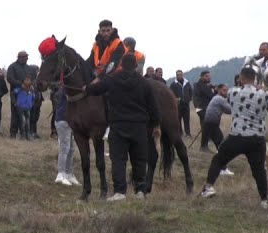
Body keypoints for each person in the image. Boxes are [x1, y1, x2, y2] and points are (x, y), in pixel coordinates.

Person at [85, 53, 159, 200]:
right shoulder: (144, 83)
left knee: (118, 159)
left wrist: (85, 87)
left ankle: (120, 192)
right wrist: (156, 124)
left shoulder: (112, 79)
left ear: (121, 64)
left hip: (118, 126)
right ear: (136, 65)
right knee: (139, 159)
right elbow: (153, 106)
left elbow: (96, 89)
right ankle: (140, 191)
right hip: (139, 127)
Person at [200, 66, 268, 206]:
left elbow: (230, 103)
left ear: (240, 79)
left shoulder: (232, 92)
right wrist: (263, 91)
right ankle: (264, 199)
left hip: (237, 136)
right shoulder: (264, 94)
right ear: (255, 79)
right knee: (259, 169)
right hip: (257, 137)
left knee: (218, 160)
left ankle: (208, 187)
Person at [52, 86, 78, 185]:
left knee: (71, 148)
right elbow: (71, 98)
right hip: (62, 120)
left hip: (71, 120)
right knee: (65, 147)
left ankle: (69, 173)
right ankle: (61, 173)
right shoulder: (67, 88)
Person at [6, 50, 32, 139]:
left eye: (27, 57)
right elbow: (9, 78)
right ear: (20, 57)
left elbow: (32, 78)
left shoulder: (29, 68)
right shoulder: (12, 67)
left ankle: (24, 134)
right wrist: (20, 85)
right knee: (15, 114)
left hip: (27, 95)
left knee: (26, 116)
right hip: (16, 94)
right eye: (25, 57)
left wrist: (30, 86)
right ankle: (13, 133)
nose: (27, 58)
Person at [202, 83, 231, 155]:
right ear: (219, 90)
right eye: (224, 90)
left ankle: (218, 155)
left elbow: (227, 111)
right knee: (220, 141)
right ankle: (221, 157)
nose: (226, 92)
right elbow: (229, 110)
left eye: (227, 90)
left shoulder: (215, 98)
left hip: (209, 121)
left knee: (218, 140)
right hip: (212, 122)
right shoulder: (219, 99)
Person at [192, 70, 215, 151]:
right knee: (206, 126)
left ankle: (205, 144)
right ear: (202, 77)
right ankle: (204, 146)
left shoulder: (206, 85)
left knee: (206, 126)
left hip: (204, 108)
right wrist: (215, 90)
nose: (209, 78)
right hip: (202, 108)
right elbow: (210, 95)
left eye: (209, 76)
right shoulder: (200, 85)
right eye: (207, 76)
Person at [169, 69, 193, 136]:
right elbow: (171, 94)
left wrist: (189, 98)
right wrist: (175, 99)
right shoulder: (173, 84)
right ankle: (180, 133)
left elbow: (191, 91)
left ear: (182, 75)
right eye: (178, 75)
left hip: (186, 104)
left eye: (180, 75)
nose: (179, 76)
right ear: (176, 76)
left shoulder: (187, 83)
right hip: (178, 105)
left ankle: (188, 133)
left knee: (187, 120)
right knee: (178, 120)